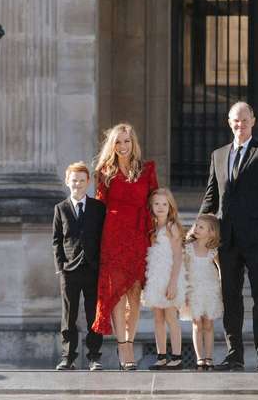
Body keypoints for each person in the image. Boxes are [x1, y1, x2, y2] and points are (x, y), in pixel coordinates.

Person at [199, 101, 258, 372]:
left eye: (244, 120)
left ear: (253, 121)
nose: (240, 125)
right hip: (227, 239)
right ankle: (234, 355)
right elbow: (212, 196)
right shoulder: (218, 155)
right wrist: (198, 230)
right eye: (236, 121)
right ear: (229, 122)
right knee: (230, 297)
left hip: (257, 238)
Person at [91, 123, 158, 370]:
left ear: (133, 143)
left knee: (134, 294)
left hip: (138, 235)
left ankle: (130, 339)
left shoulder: (147, 169)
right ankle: (123, 347)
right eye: (118, 142)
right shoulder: (104, 172)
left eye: (126, 141)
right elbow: (99, 208)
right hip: (113, 236)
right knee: (117, 293)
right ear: (112, 145)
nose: (122, 146)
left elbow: (154, 203)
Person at [52, 162, 106, 371]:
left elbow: (103, 236)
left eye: (82, 181)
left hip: (93, 268)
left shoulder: (98, 207)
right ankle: (68, 357)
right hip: (69, 270)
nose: (78, 184)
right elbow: (56, 240)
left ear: (88, 183)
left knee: (94, 314)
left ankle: (94, 356)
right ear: (68, 182)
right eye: (74, 181)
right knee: (69, 316)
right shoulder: (60, 208)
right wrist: (60, 266)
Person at [142, 187, 186, 370]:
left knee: (170, 317)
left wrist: (173, 282)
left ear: (170, 207)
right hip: (155, 277)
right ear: (151, 206)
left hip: (169, 277)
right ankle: (161, 356)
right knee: (157, 318)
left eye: (164, 204)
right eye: (156, 204)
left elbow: (177, 256)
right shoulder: (152, 227)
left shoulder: (171, 227)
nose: (160, 207)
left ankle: (176, 356)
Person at [180, 214, 223, 371]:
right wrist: (183, 291)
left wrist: (222, 287)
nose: (196, 229)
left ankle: (209, 357)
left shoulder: (213, 251)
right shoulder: (188, 249)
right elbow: (183, 270)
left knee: (209, 323)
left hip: (210, 290)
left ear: (211, 232)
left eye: (201, 227)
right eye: (196, 225)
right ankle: (200, 358)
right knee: (197, 323)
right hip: (194, 290)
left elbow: (220, 270)